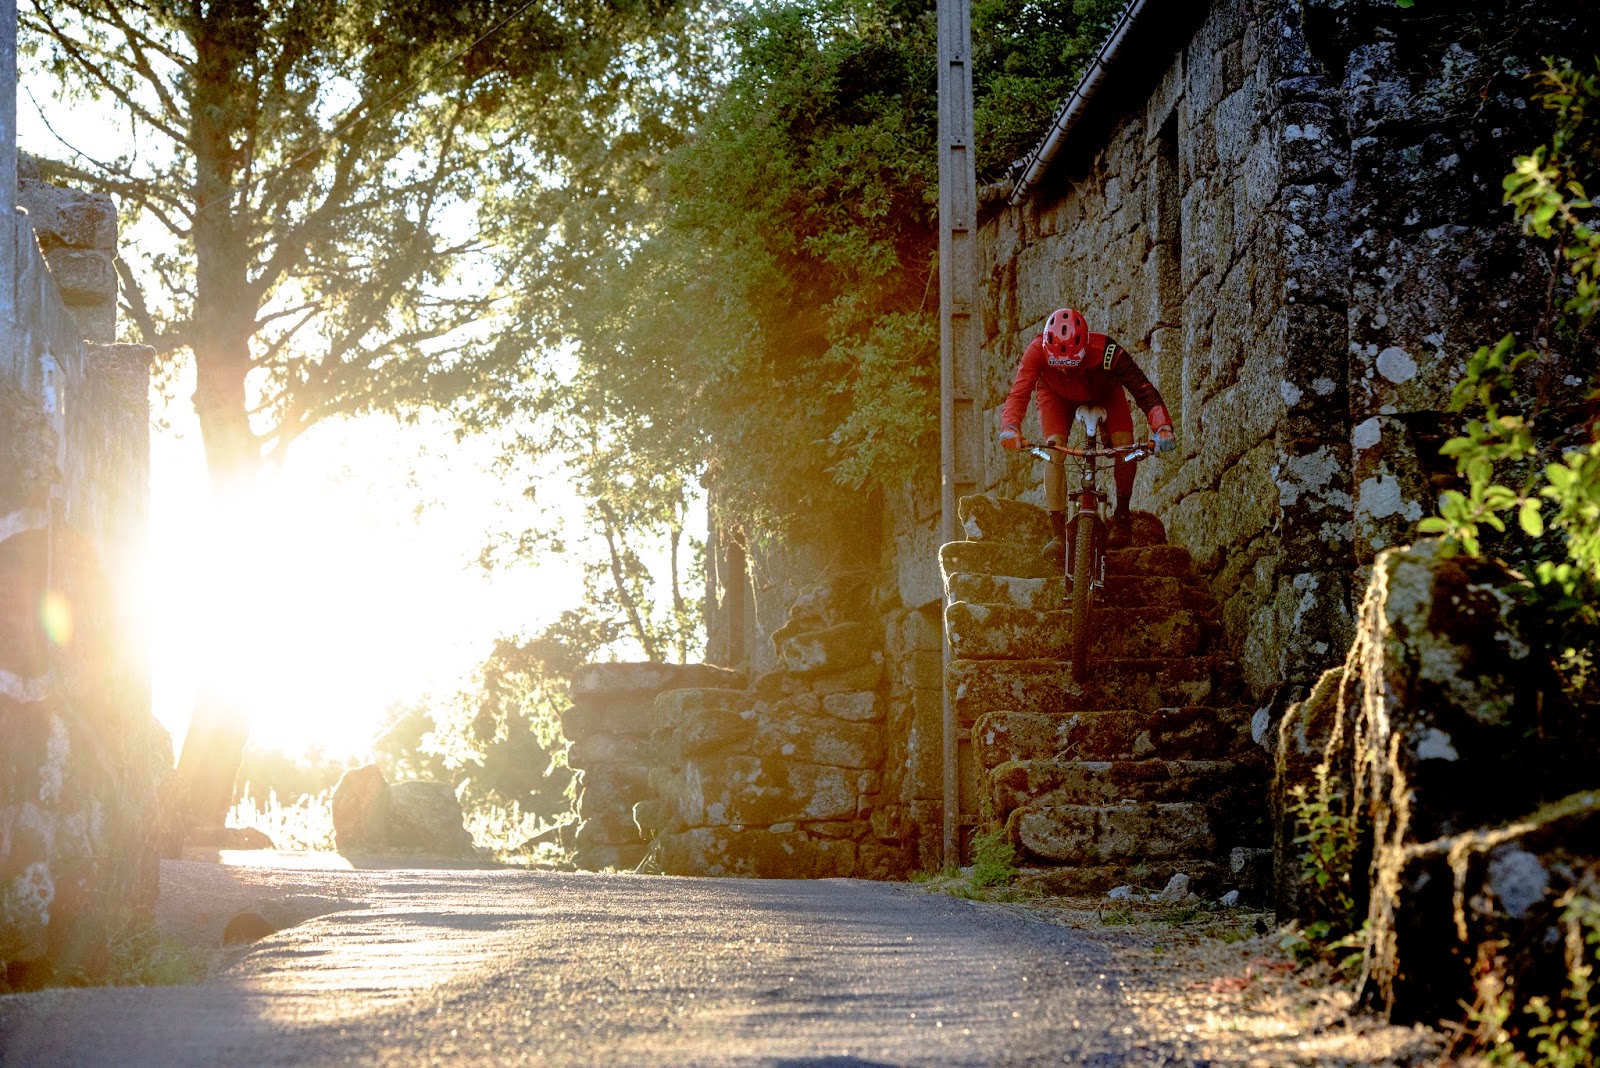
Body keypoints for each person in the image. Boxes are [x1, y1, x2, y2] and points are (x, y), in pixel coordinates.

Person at [998, 307, 1177, 555]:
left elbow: (1142, 388)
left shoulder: (1107, 351)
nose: (1064, 370)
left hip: (1104, 392)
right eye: (1058, 365)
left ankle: (1122, 515)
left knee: (1123, 443)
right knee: (1053, 447)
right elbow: (1018, 393)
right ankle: (1058, 531)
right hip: (1055, 396)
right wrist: (1010, 427)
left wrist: (1162, 427)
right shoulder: (1036, 351)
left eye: (1071, 364)